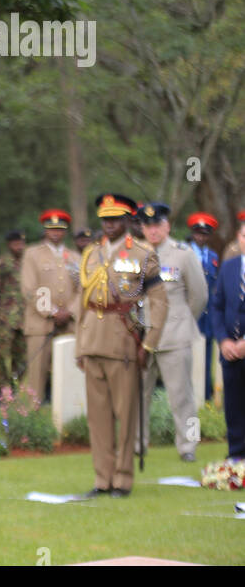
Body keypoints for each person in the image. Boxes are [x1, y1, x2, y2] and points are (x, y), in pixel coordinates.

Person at [74, 194, 167, 497]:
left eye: (115, 219)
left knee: (125, 415)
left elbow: (159, 301)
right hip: (92, 340)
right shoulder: (90, 253)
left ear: (128, 220)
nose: (109, 224)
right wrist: (79, 345)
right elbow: (83, 302)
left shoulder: (143, 254)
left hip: (123, 342)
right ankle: (102, 479)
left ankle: (123, 479)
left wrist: (149, 344)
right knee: (97, 417)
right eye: (105, 219)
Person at [136, 203, 207, 463]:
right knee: (137, 395)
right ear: (142, 228)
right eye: (148, 226)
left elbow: (199, 295)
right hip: (142, 335)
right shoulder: (133, 254)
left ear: (167, 226)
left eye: (157, 226)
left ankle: (188, 447)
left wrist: (183, 321)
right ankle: (137, 444)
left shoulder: (183, 254)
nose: (153, 231)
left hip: (174, 336)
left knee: (182, 397)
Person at [20, 209, 79, 400]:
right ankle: (32, 421)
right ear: (45, 230)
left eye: (60, 229)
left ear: (65, 231)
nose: (56, 233)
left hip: (69, 325)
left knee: (71, 375)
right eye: (52, 229)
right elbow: (30, 288)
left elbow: (83, 289)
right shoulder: (32, 254)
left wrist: (69, 311)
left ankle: (70, 421)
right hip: (40, 324)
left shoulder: (75, 257)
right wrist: (52, 312)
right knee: (36, 378)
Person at [208, 220, 245, 461]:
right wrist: (223, 340)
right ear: (238, 238)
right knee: (233, 405)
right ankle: (236, 455)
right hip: (230, 351)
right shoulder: (229, 267)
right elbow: (217, 306)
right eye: (244, 236)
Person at [0, 229, 27, 396]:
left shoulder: (27, 263)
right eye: (16, 243)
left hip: (24, 318)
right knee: (2, 355)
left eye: (21, 243)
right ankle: (1, 390)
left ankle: (15, 388)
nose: (19, 247)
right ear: (9, 245)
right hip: (5, 318)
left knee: (22, 356)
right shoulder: (2, 263)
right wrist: (0, 312)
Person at [187, 212, 221, 402]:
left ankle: (205, 394)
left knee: (207, 355)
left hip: (207, 315)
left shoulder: (213, 256)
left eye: (204, 234)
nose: (200, 237)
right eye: (197, 233)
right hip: (189, 313)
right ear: (192, 233)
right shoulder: (184, 252)